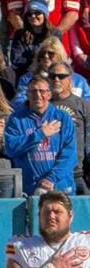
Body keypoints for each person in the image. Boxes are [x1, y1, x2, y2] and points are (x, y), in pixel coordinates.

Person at [5, 75, 76, 195]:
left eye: (42, 91)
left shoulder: (62, 117)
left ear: (49, 94)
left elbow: (70, 155)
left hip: (60, 186)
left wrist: (51, 178)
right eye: (33, 91)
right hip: (29, 188)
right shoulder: (16, 119)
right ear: (27, 95)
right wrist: (40, 134)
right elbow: (11, 149)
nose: (38, 95)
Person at [48, 61, 90, 195]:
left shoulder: (83, 105)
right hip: (49, 173)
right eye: (52, 76)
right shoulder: (42, 106)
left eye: (61, 76)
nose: (56, 79)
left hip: (78, 172)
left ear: (70, 79)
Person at [10, 0, 61, 80]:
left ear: (45, 15)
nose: (33, 16)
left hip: (50, 76)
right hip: (25, 76)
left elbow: (56, 58)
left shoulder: (55, 34)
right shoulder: (19, 34)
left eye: (37, 13)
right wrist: (40, 58)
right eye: (30, 14)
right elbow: (16, 60)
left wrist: (30, 57)